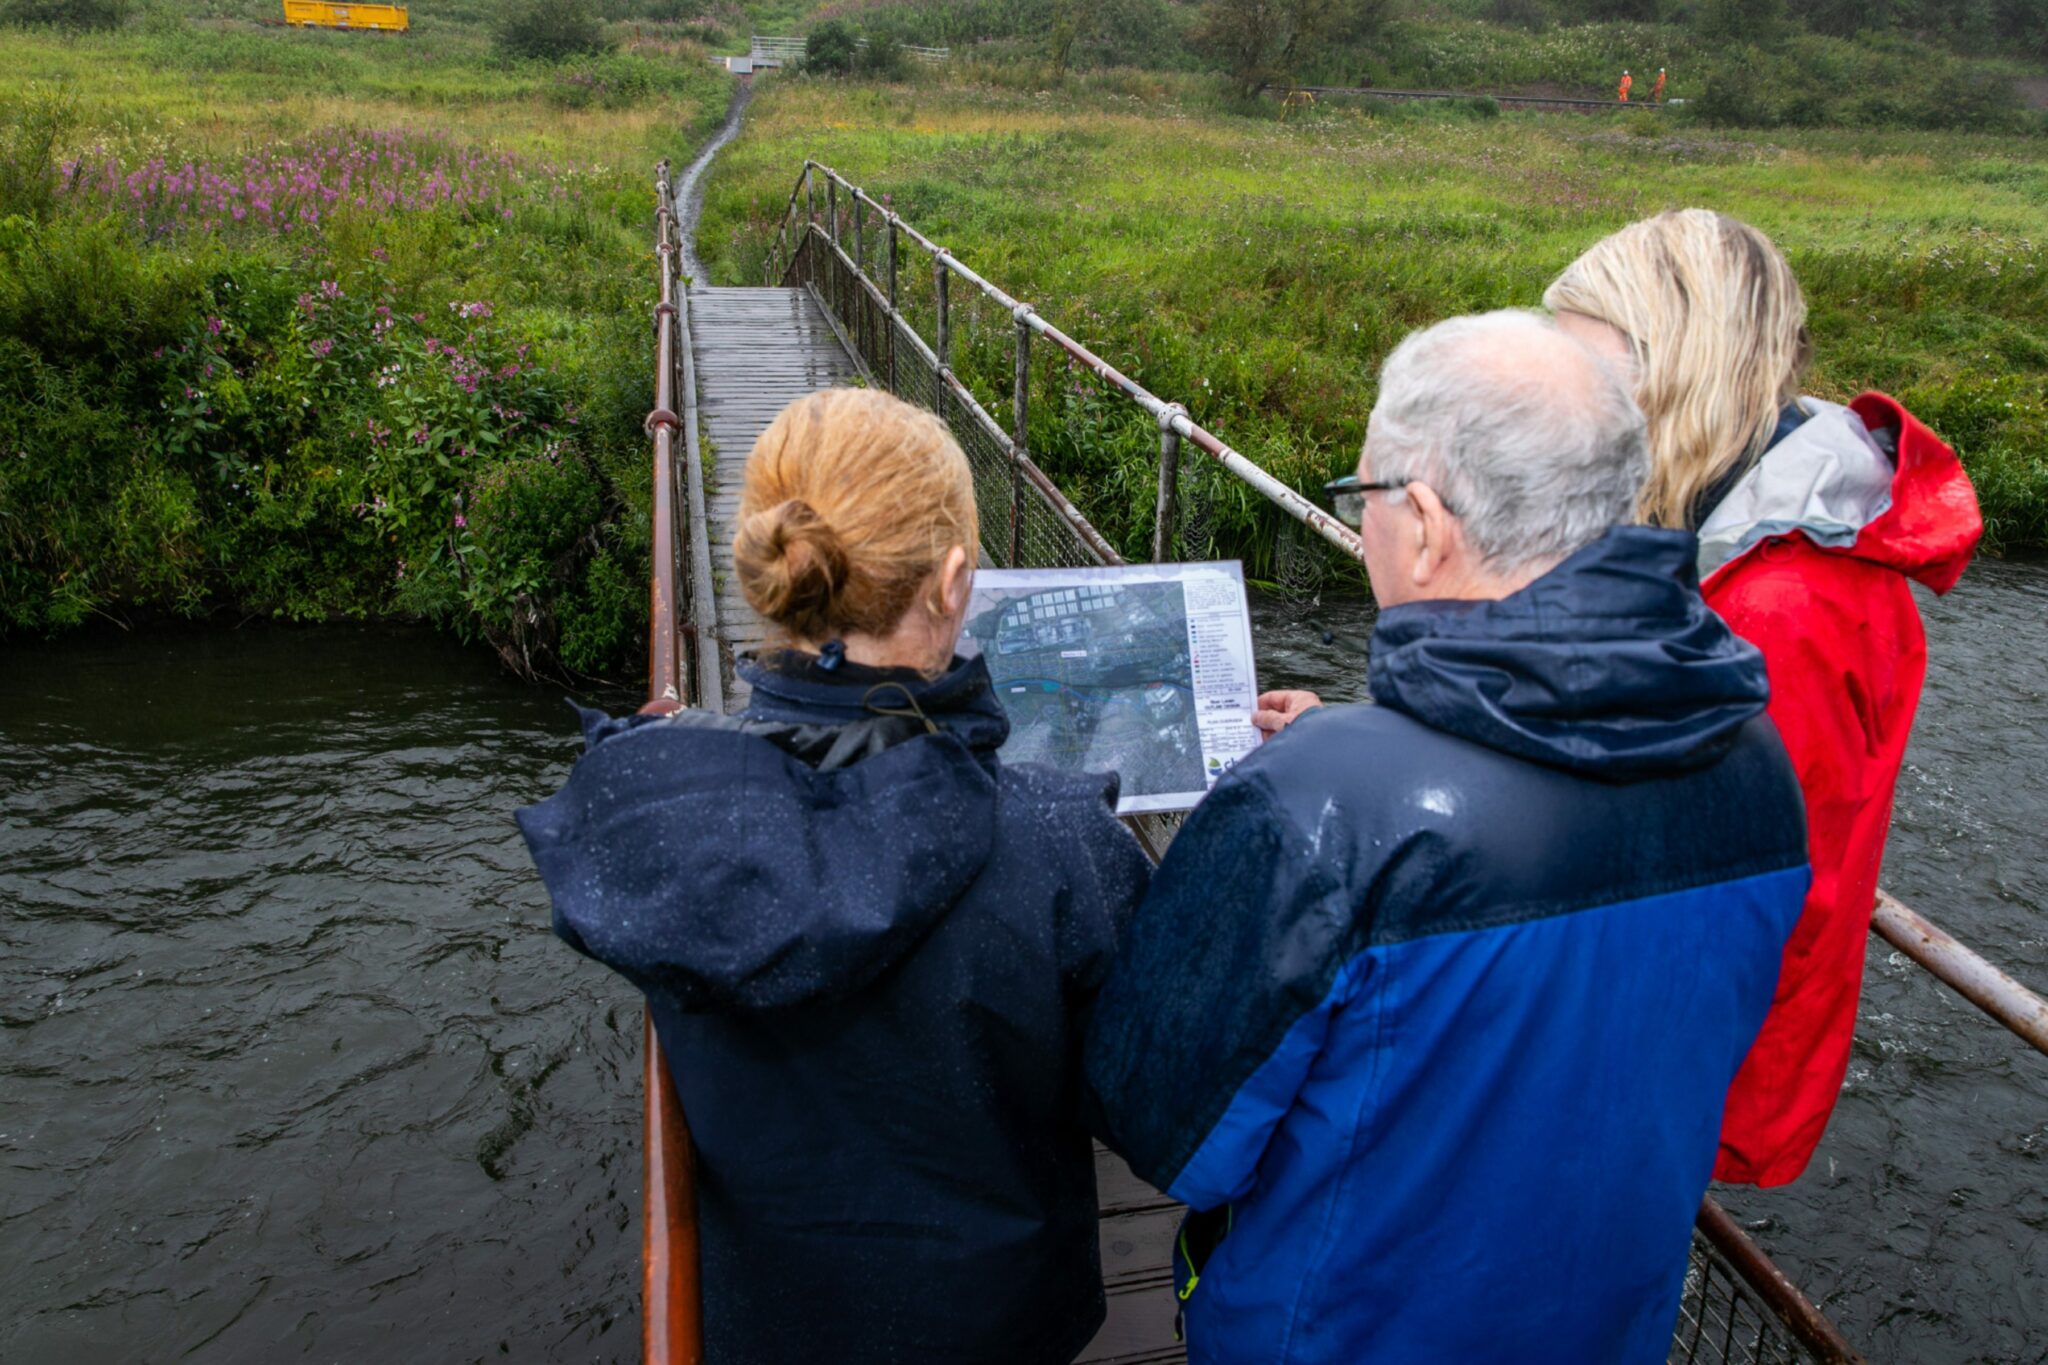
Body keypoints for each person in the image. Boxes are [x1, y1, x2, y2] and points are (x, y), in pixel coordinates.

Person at [1085, 311, 1810, 1364]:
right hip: (1610, 1327)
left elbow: (1159, 1124)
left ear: (1420, 521)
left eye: (1364, 497)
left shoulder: (1317, 803)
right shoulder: (1755, 761)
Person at [518, 388, 1150, 1363]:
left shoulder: (650, 823)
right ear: (951, 582)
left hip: (760, 1327)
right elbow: (1152, 1107)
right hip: (994, 1327)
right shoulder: (1060, 843)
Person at [1544, 209, 1982, 1187]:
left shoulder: (1783, 606)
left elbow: (1718, 901)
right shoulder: (1734, 527)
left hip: (1654, 1078)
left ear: (1677, 368)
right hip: (1634, 1056)